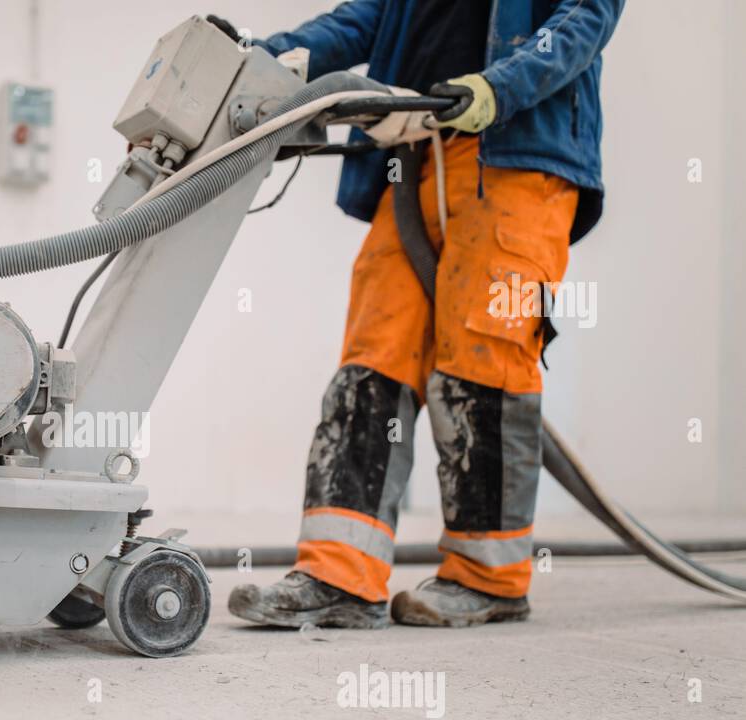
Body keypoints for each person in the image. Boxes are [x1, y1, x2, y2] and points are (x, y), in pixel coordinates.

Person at [213, 1, 624, 628]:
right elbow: (366, 20)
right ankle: (338, 574)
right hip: (416, 161)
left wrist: (498, 86)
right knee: (372, 361)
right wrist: (257, 56)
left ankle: (490, 578)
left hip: (516, 160)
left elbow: (585, 20)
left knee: (485, 360)